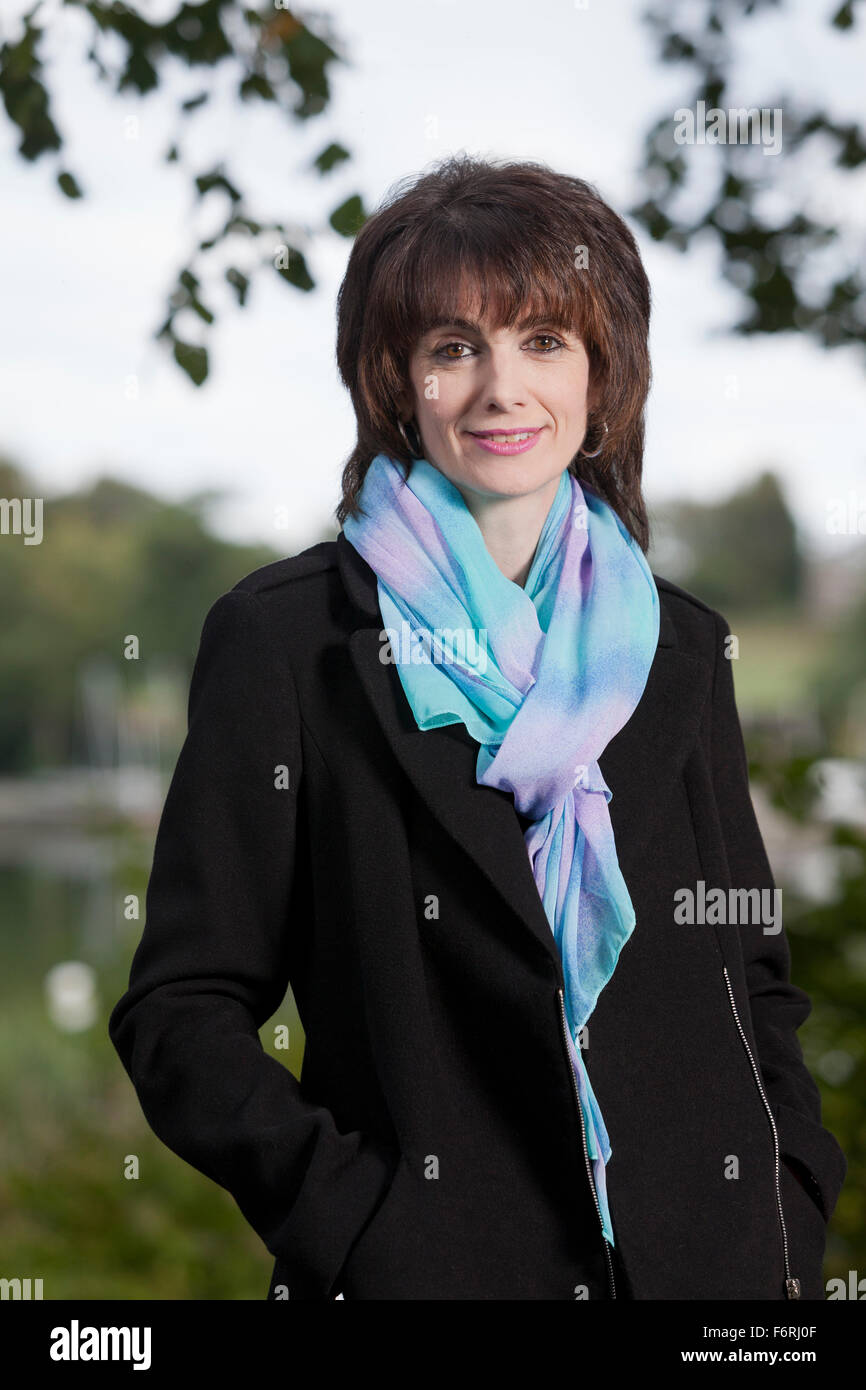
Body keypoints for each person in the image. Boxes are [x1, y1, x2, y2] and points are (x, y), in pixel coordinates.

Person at [109, 154, 846, 1301]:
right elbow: (181, 1011)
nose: (503, 388)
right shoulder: (287, 641)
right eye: (455, 347)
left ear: (602, 377)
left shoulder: (681, 648)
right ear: (398, 383)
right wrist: (361, 1228)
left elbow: (744, 970)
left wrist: (787, 1200)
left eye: (544, 340)